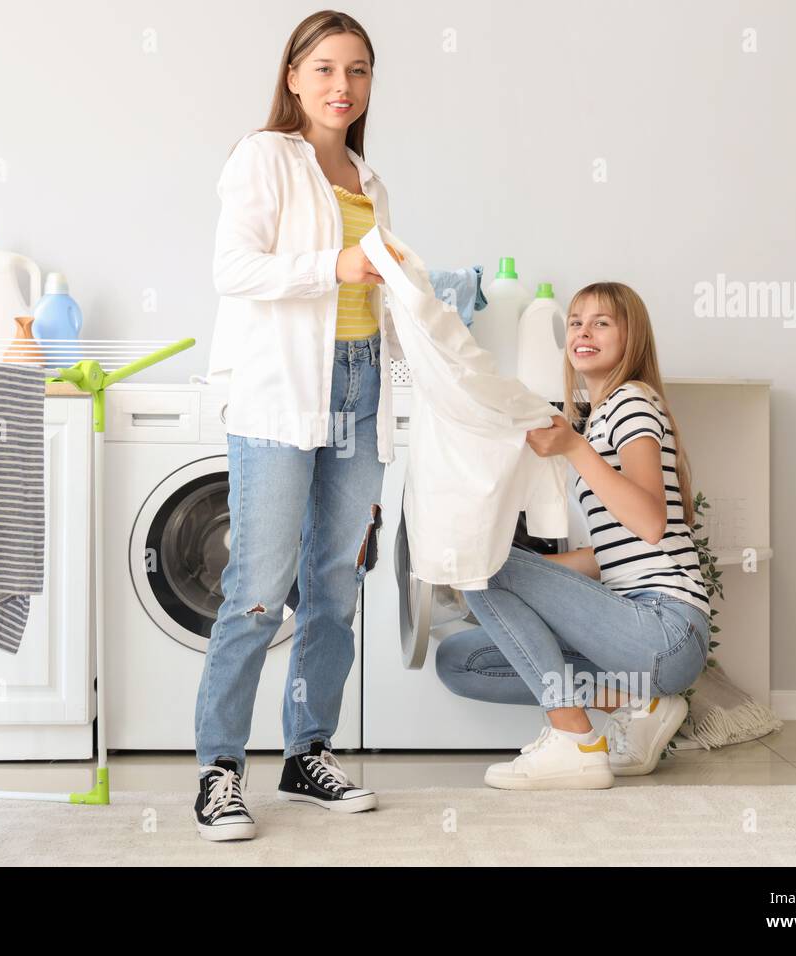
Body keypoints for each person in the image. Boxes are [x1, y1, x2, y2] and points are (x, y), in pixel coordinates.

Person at [194, 10, 403, 841]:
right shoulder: (263, 157)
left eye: (356, 71)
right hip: (280, 394)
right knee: (257, 588)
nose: (341, 86)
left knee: (334, 586)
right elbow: (231, 268)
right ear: (292, 77)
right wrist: (335, 265)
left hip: (359, 387)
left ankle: (306, 751)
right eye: (323, 69)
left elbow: (375, 294)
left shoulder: (367, 177)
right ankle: (219, 770)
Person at [435, 282, 712, 790]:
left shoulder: (632, 402)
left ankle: (574, 743)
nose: (583, 332)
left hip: (664, 629)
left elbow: (650, 522)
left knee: (483, 556)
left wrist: (574, 448)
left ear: (633, 339)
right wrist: (509, 582)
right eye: (577, 322)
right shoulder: (599, 414)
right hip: (634, 636)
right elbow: (609, 554)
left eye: (602, 322)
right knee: (460, 660)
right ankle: (635, 700)